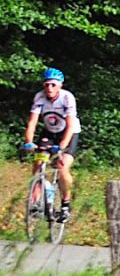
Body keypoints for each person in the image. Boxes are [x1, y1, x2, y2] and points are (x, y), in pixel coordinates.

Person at [21, 68, 81, 224]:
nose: (49, 88)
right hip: (49, 132)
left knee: (62, 167)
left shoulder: (67, 98)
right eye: (47, 85)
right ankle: (35, 202)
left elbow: (70, 126)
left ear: (60, 85)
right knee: (38, 164)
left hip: (68, 133)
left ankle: (66, 205)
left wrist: (61, 146)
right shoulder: (40, 97)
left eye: (53, 85)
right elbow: (32, 122)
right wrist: (29, 141)